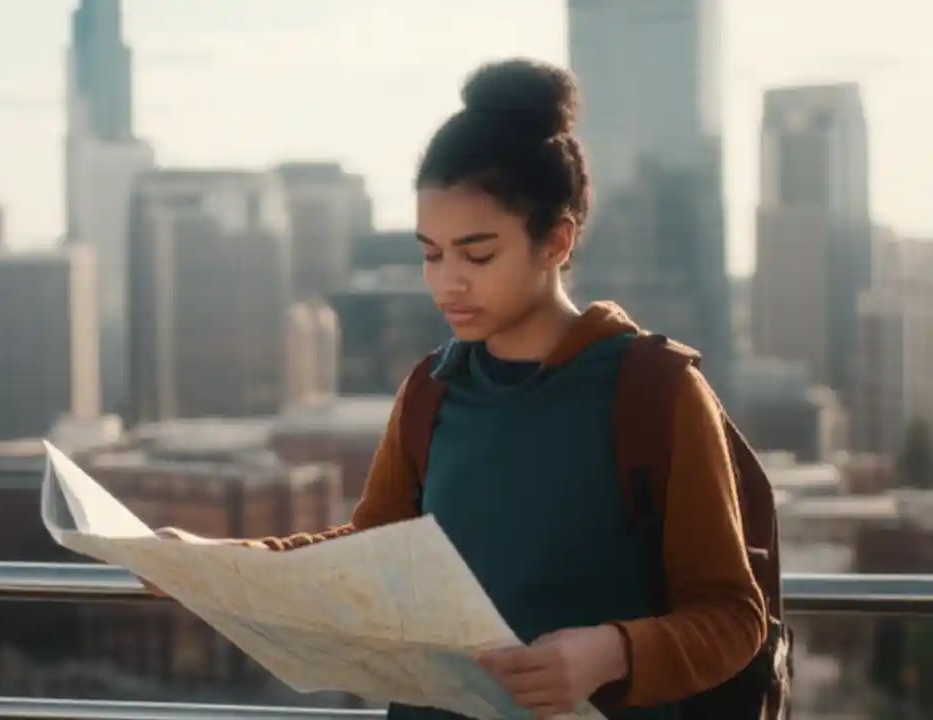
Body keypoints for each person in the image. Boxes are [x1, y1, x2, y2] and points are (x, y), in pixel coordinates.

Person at [150, 58, 766, 720]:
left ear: (556, 240)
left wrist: (608, 653)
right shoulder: (429, 391)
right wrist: (209, 563)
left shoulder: (655, 392)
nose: (447, 283)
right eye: (431, 253)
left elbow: (733, 617)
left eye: (477, 255)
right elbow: (363, 559)